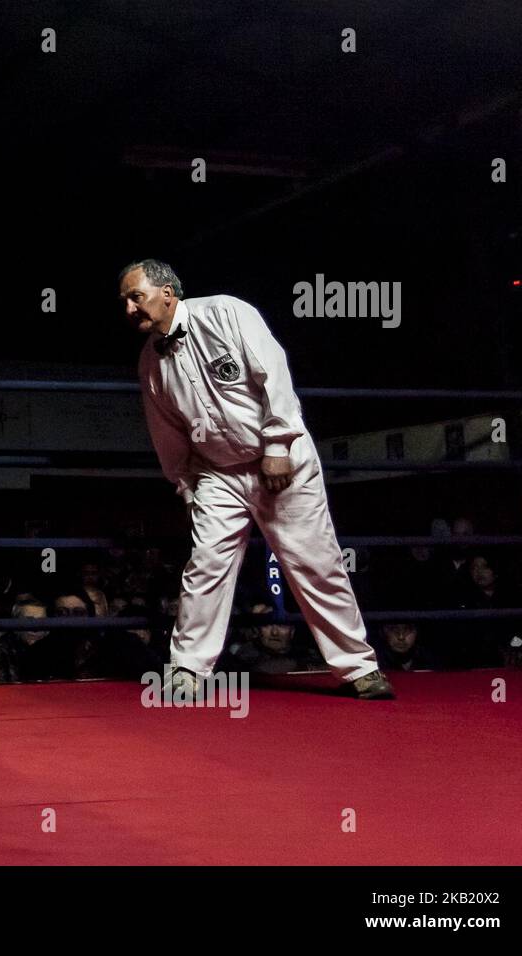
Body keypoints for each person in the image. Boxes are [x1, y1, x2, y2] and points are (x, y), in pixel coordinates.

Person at [121, 258, 394, 700]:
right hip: (216, 472)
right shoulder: (150, 361)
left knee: (316, 563)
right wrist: (185, 483)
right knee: (205, 564)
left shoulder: (228, 312)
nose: (131, 309)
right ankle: (187, 671)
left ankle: (359, 667)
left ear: (167, 292)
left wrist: (278, 446)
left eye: (136, 296)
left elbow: (274, 374)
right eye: (126, 301)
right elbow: (165, 430)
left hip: (280, 461)